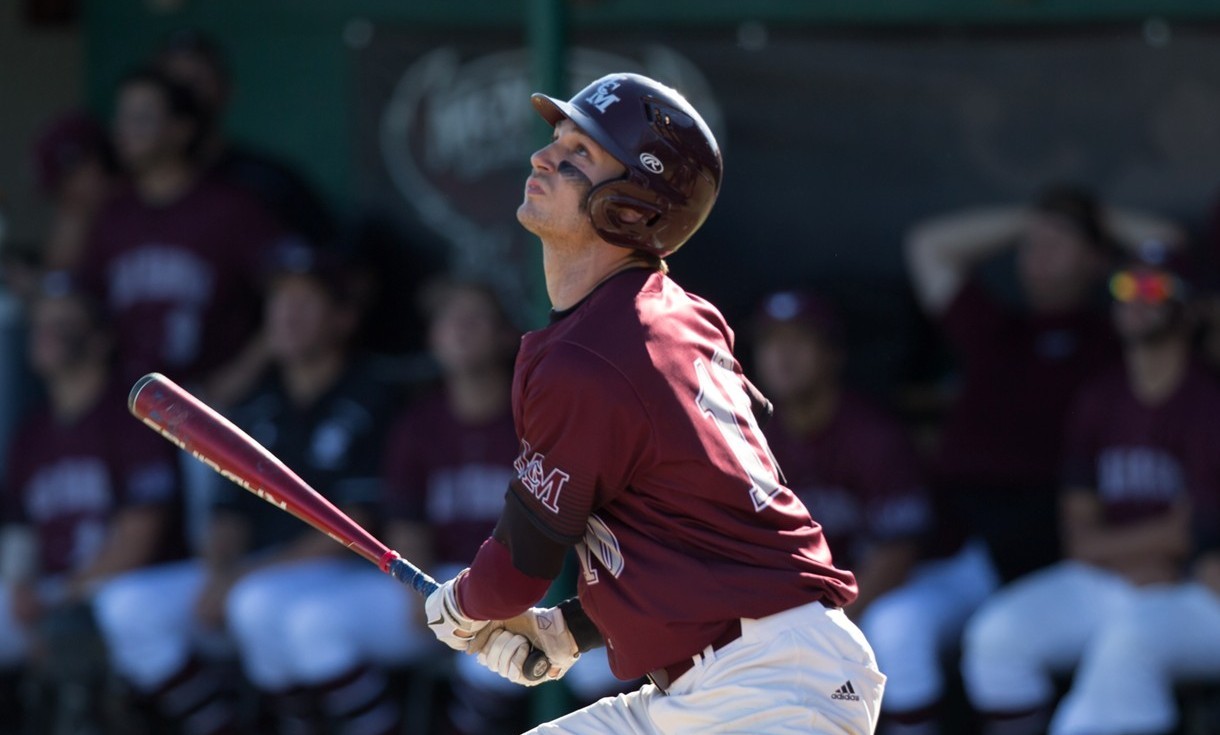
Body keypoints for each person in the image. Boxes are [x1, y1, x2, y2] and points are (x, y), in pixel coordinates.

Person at [419, 73, 884, 735]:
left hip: (773, 688)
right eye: (556, 142)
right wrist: (568, 629)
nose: (543, 158)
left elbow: (516, 572)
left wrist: (461, 606)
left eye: (579, 155)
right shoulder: (675, 315)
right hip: (731, 676)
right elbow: (685, 531)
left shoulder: (592, 356)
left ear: (634, 209)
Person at [93, 243, 406, 735]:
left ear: (343, 318)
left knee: (256, 604)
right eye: (279, 302)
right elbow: (226, 514)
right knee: (126, 605)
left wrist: (240, 578)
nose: (287, 316)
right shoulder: (258, 403)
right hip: (255, 575)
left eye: (305, 303)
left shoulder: (371, 396)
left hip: (344, 573)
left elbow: (356, 526)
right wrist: (221, 572)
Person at [960, 241, 1220, 735]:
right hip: (1118, 574)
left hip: (1187, 585)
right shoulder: (1100, 398)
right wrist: (1142, 550)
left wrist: (1163, 550)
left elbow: (1195, 535)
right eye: (1125, 285)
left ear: (1187, 305)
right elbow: (1080, 537)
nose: (1135, 298)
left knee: (1128, 646)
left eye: (1153, 285)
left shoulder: (1207, 402)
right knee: (996, 636)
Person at [903, 189, 1181, 584]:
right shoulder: (996, 328)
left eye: (1060, 240)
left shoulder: (1116, 336)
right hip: (965, 532)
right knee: (900, 622)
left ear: (1098, 260)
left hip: (1050, 528)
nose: (1041, 249)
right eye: (1033, 242)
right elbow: (927, 245)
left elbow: (1174, 247)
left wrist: (1089, 213)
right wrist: (1033, 216)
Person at [751, 290, 976, 735]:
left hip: (941, 572)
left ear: (833, 355)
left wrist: (821, 630)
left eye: (800, 341)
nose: (783, 356)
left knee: (894, 628)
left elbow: (898, 557)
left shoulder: (872, 436)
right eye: (771, 342)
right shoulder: (760, 443)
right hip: (846, 587)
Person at [0, 274, 183, 729]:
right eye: (41, 323)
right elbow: (21, 528)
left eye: (62, 324)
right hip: (53, 590)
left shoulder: (129, 419)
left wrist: (55, 601)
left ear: (100, 340)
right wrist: (22, 589)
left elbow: (138, 539)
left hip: (125, 586)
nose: (45, 333)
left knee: (98, 620)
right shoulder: (33, 431)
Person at [77, 67, 282, 408]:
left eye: (140, 118)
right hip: (132, 409)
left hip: (217, 412)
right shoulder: (112, 214)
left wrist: (238, 377)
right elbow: (86, 305)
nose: (123, 131)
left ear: (180, 129)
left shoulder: (230, 209)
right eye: (122, 117)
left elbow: (291, 295)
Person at [153, 30, 337, 248]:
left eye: (197, 82)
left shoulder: (267, 182)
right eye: (173, 85)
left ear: (227, 90)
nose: (185, 97)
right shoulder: (124, 189)